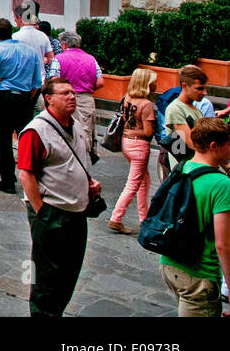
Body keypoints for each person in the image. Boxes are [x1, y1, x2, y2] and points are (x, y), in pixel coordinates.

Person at [18, 77, 100, 317]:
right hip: (51, 211)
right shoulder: (36, 131)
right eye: (65, 93)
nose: (72, 97)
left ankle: (56, 313)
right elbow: (26, 175)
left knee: (69, 272)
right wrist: (41, 211)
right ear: (48, 99)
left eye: (73, 92)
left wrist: (89, 184)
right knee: (46, 274)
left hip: (76, 211)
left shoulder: (76, 124)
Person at [159, 117, 230, 317]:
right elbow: (223, 245)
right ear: (215, 146)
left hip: (170, 264)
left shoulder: (184, 167)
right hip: (199, 274)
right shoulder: (221, 185)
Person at [0, 18, 46, 194]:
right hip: (23, 98)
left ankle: (7, 180)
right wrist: (29, 98)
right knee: (25, 138)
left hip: (3, 97)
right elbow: (37, 82)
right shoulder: (30, 52)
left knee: (3, 139)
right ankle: (31, 175)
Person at [107, 68, 158, 235]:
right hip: (139, 146)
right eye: (153, 82)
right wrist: (137, 132)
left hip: (126, 143)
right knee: (133, 184)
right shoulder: (146, 104)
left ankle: (144, 218)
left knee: (143, 182)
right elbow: (149, 132)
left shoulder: (127, 98)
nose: (156, 84)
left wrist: (130, 132)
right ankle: (116, 217)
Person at [47, 30, 104, 163]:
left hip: (64, 98)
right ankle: (82, 162)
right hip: (86, 99)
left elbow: (54, 79)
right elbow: (100, 82)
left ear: (64, 45)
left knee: (63, 130)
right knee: (85, 132)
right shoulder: (91, 58)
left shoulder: (59, 58)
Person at [12, 0, 54, 66]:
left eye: (15, 17)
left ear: (20, 18)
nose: (14, 20)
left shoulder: (15, 37)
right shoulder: (43, 36)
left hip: (22, 75)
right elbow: (51, 59)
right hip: (40, 75)